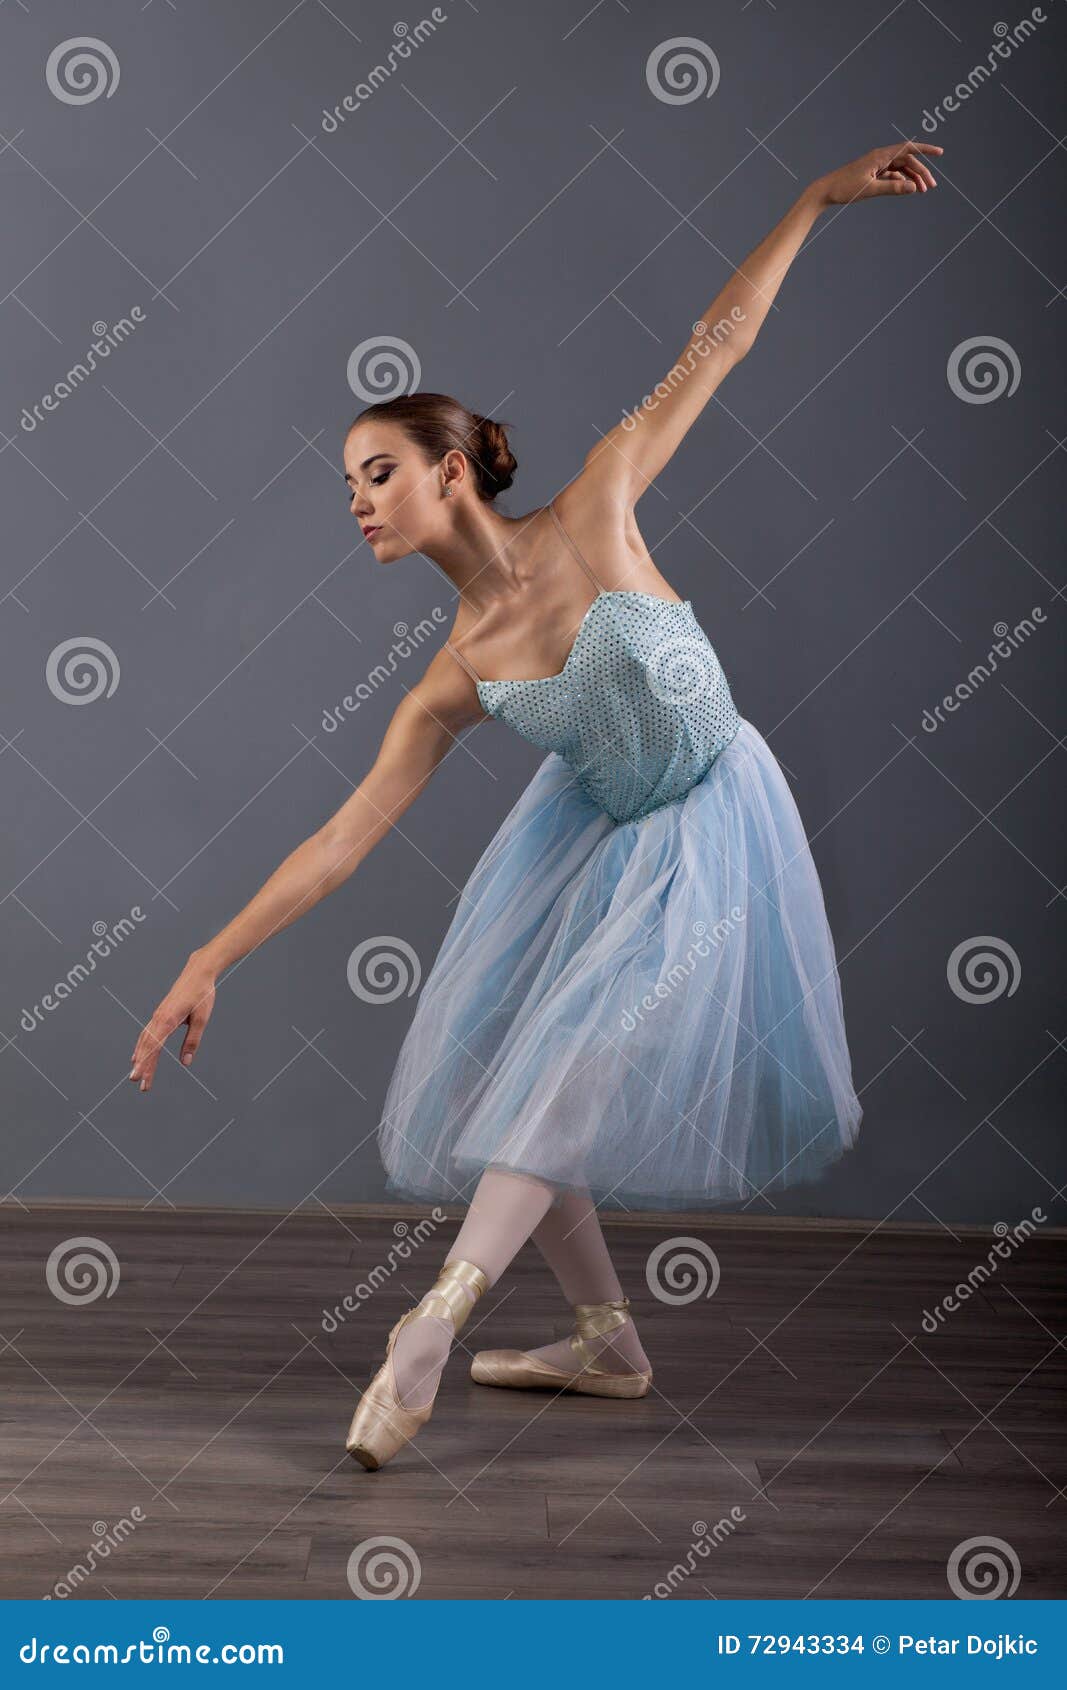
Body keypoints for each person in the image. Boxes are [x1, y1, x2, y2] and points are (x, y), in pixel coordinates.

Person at [129, 141, 943, 1471]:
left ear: (454, 468)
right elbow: (341, 840)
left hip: (713, 827)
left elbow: (718, 342)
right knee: (533, 1079)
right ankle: (609, 1341)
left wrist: (812, 202)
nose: (356, 502)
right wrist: (206, 955)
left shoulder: (603, 501)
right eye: (346, 485)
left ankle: (433, 1321)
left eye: (375, 472)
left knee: (559, 1081)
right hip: (602, 843)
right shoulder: (450, 678)